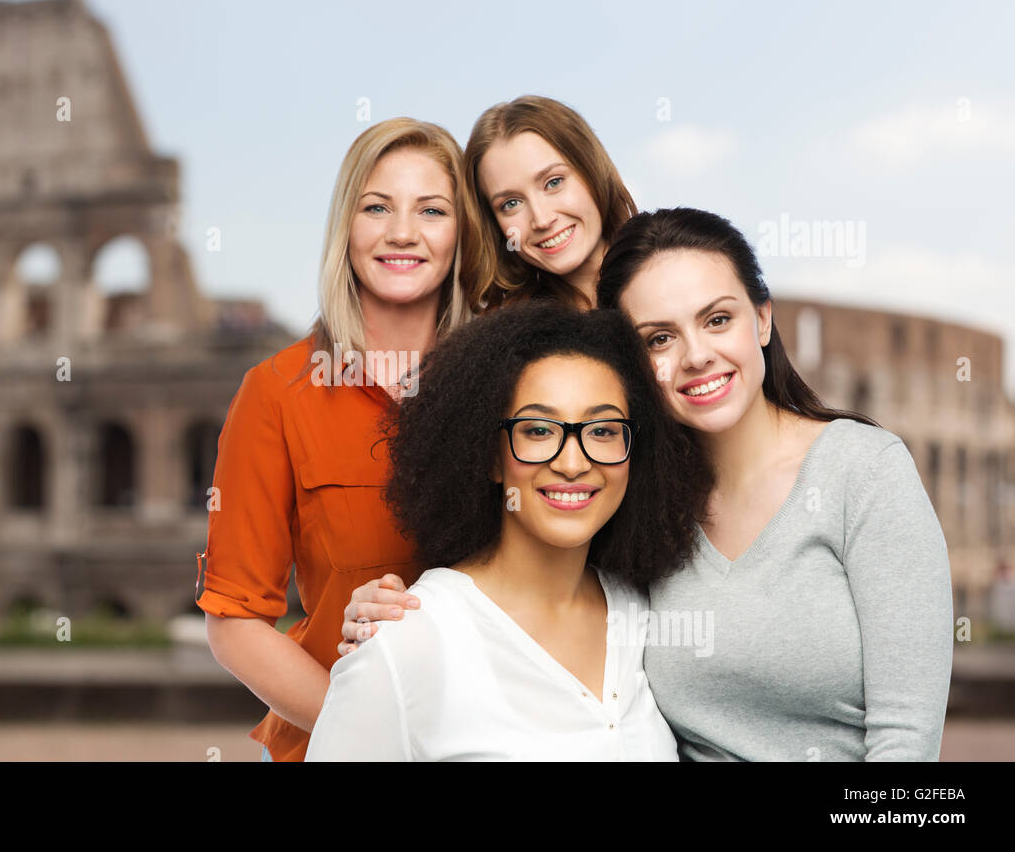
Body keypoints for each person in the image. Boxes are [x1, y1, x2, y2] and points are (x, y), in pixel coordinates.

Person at [340, 207, 954, 762]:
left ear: (762, 319)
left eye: (717, 319)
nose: (695, 355)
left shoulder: (863, 472)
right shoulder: (635, 502)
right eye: (659, 338)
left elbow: (907, 740)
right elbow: (517, 583)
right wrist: (392, 625)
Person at [197, 117, 492, 762]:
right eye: (376, 207)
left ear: (461, 234)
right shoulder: (275, 394)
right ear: (346, 229)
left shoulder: (509, 386)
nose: (402, 233)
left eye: (432, 210)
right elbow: (235, 622)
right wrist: (373, 735)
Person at [306, 301, 711, 760]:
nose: (573, 463)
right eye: (538, 430)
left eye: (602, 431)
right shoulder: (405, 643)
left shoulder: (644, 617)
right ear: (491, 456)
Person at [460, 95, 637, 311]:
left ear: (592, 172)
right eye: (511, 203)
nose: (542, 219)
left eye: (553, 182)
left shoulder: (676, 271)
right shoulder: (508, 334)